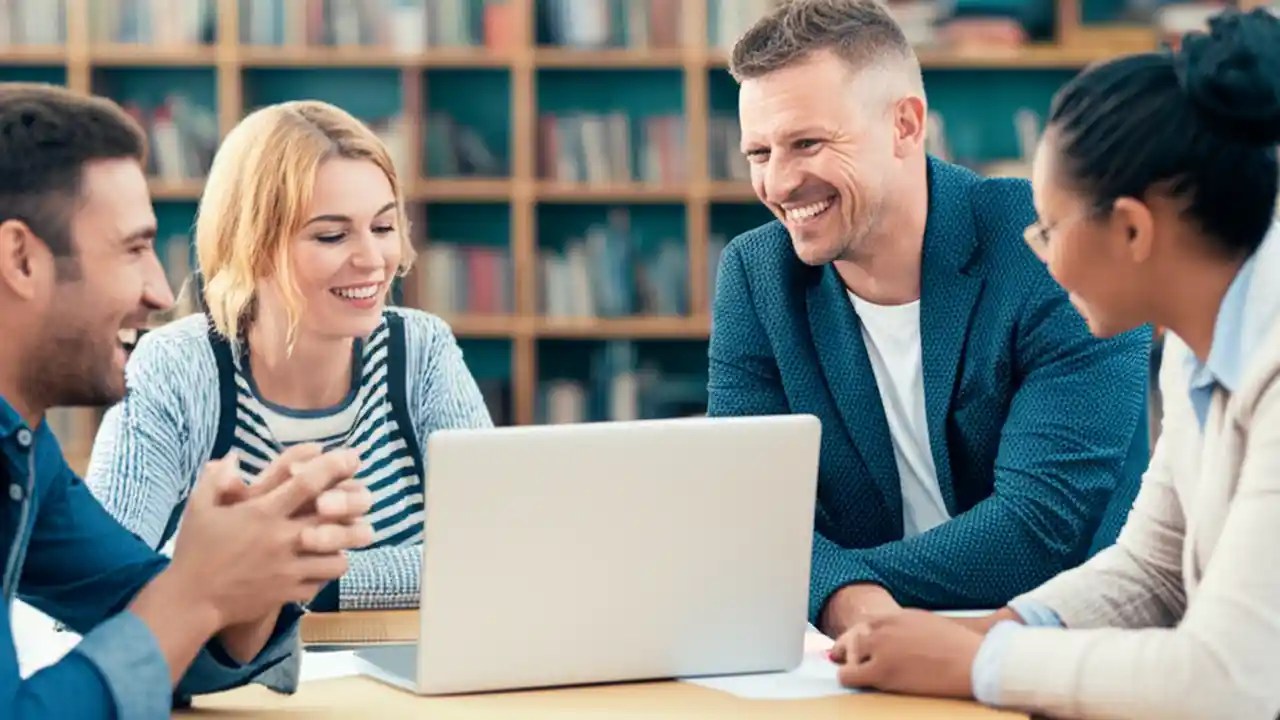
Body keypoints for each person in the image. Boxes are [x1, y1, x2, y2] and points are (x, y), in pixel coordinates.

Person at [827, 8, 1280, 719]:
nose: (1037, 251)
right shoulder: (1194, 344)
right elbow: (1153, 571)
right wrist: (997, 629)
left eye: (1049, 227)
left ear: (1131, 228)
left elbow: (1231, 679)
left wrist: (977, 662)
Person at [708, 0, 1153, 638]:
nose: (778, 183)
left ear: (906, 126)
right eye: (758, 152)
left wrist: (836, 589)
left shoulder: (1051, 248)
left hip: (1055, 641)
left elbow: (1037, 528)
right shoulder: (756, 278)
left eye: (807, 143)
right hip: (851, 661)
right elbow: (747, 511)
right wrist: (839, 598)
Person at [0, 83, 376, 718]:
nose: (159, 289)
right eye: (134, 248)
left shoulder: (25, 457)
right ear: (21, 259)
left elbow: (159, 624)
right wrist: (200, 590)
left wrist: (257, 562)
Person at [85, 99, 494, 618]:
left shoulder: (422, 351)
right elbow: (99, 587)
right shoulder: (176, 369)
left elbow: (492, 558)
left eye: (384, 227)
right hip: (235, 693)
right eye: (332, 234)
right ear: (252, 245)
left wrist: (287, 580)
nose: (372, 259)